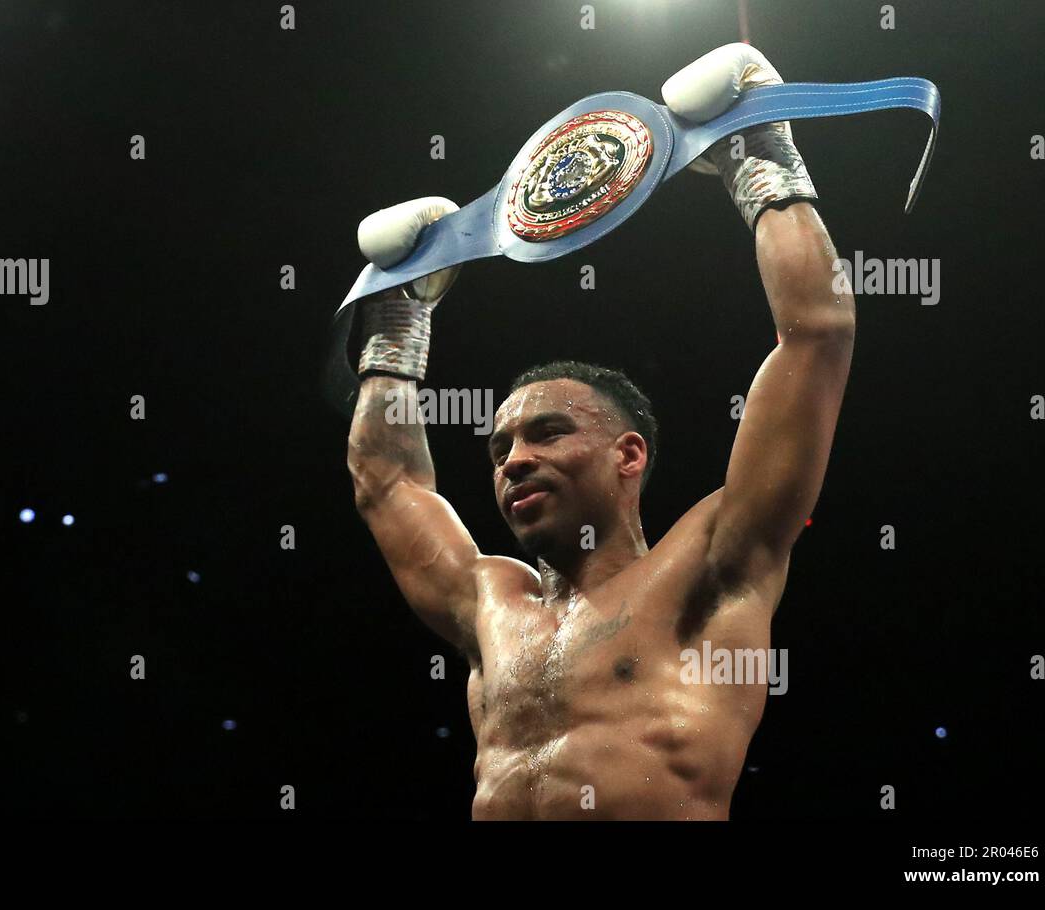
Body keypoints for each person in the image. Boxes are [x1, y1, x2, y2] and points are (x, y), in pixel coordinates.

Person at [346, 44, 854, 819]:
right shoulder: (489, 603)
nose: (515, 460)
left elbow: (817, 334)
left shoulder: (713, 564)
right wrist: (396, 319)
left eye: (548, 434)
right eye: (500, 447)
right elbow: (386, 486)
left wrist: (760, 154)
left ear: (628, 454)